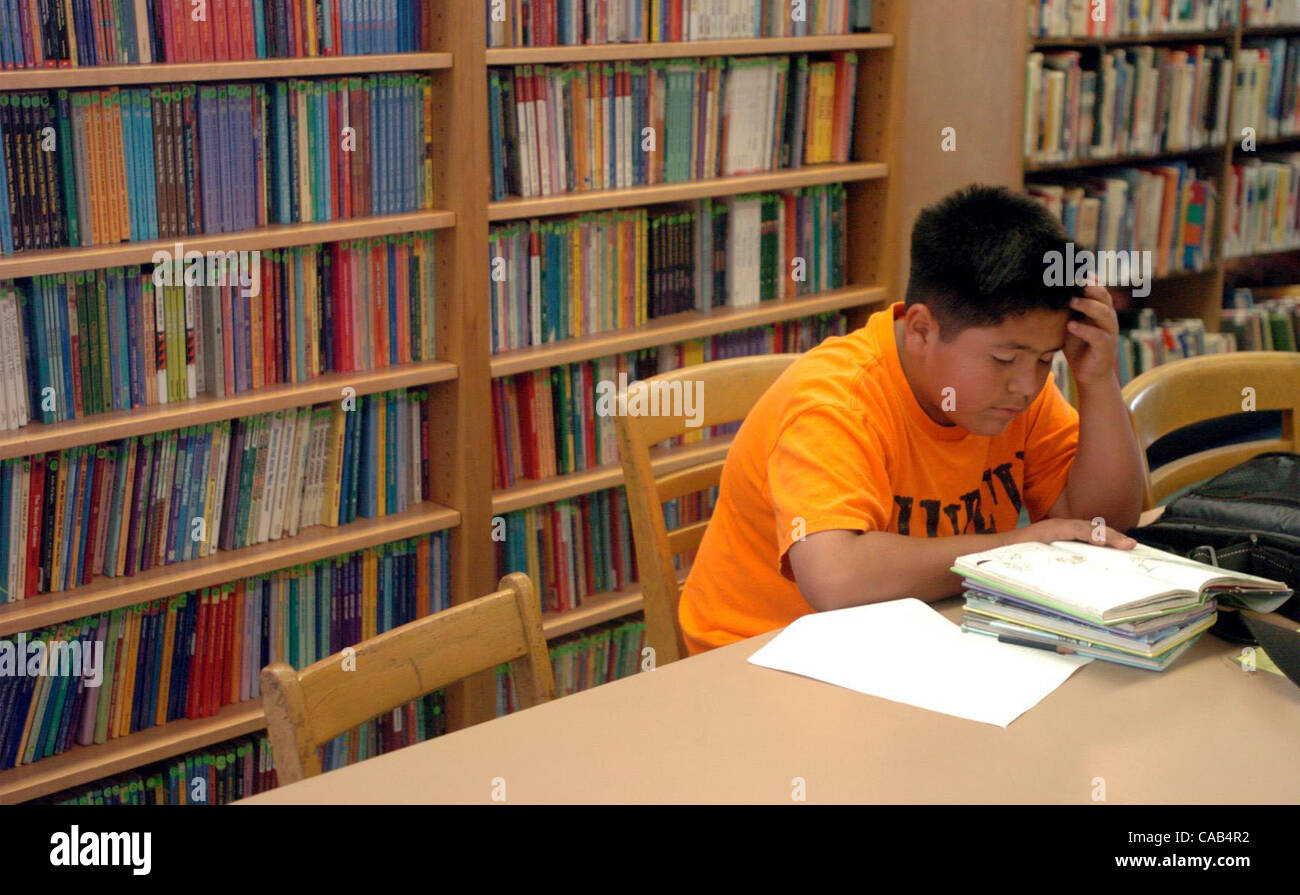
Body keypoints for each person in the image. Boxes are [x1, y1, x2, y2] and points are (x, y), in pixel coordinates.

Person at [678, 184, 1146, 655]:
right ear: (922, 329)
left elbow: (1099, 525)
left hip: (913, 631)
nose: (1027, 385)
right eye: (1005, 358)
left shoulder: (1011, 391)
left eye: (1046, 359)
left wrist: (1098, 382)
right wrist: (1013, 548)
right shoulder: (835, 402)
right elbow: (837, 579)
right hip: (762, 654)